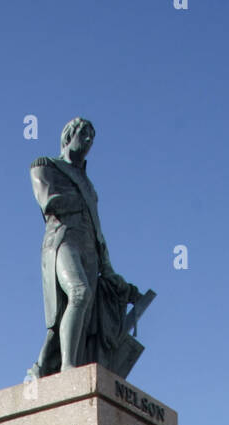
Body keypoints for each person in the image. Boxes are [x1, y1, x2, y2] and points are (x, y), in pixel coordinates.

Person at [28, 116, 139, 378]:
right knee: (79, 293)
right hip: (62, 240)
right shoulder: (46, 165)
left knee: (84, 311)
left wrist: (109, 270)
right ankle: (68, 369)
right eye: (84, 135)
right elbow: (50, 202)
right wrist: (81, 200)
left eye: (92, 138)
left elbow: (98, 230)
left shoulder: (89, 186)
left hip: (90, 249)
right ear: (69, 136)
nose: (89, 142)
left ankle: (43, 365)